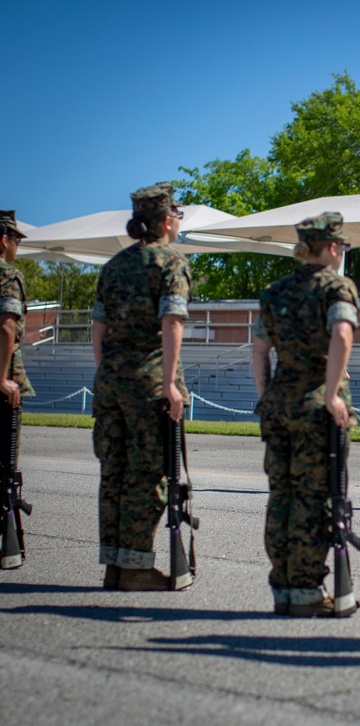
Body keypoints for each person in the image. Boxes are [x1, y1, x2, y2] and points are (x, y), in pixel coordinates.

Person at [252, 212, 359, 618]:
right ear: (332, 247)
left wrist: (267, 396)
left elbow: (259, 349)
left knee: (281, 496)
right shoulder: (336, 287)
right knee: (314, 499)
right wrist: (331, 394)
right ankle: (306, 590)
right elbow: (342, 334)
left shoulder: (275, 292)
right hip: (315, 408)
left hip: (278, 405)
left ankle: (283, 586)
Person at [91, 183, 192, 591]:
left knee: (113, 472)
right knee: (148, 474)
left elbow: (98, 327)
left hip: (111, 381)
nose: (179, 222)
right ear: (166, 221)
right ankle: (135, 567)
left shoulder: (114, 265)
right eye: (178, 216)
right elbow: (172, 321)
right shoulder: (171, 262)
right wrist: (169, 383)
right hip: (149, 381)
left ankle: (115, 565)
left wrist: (108, 373)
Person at [0, 211, 35, 569]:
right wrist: (2, 377)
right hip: (4, 380)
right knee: (4, 465)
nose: (16, 246)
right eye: (15, 239)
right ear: (2, 239)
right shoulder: (8, 275)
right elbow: (7, 326)